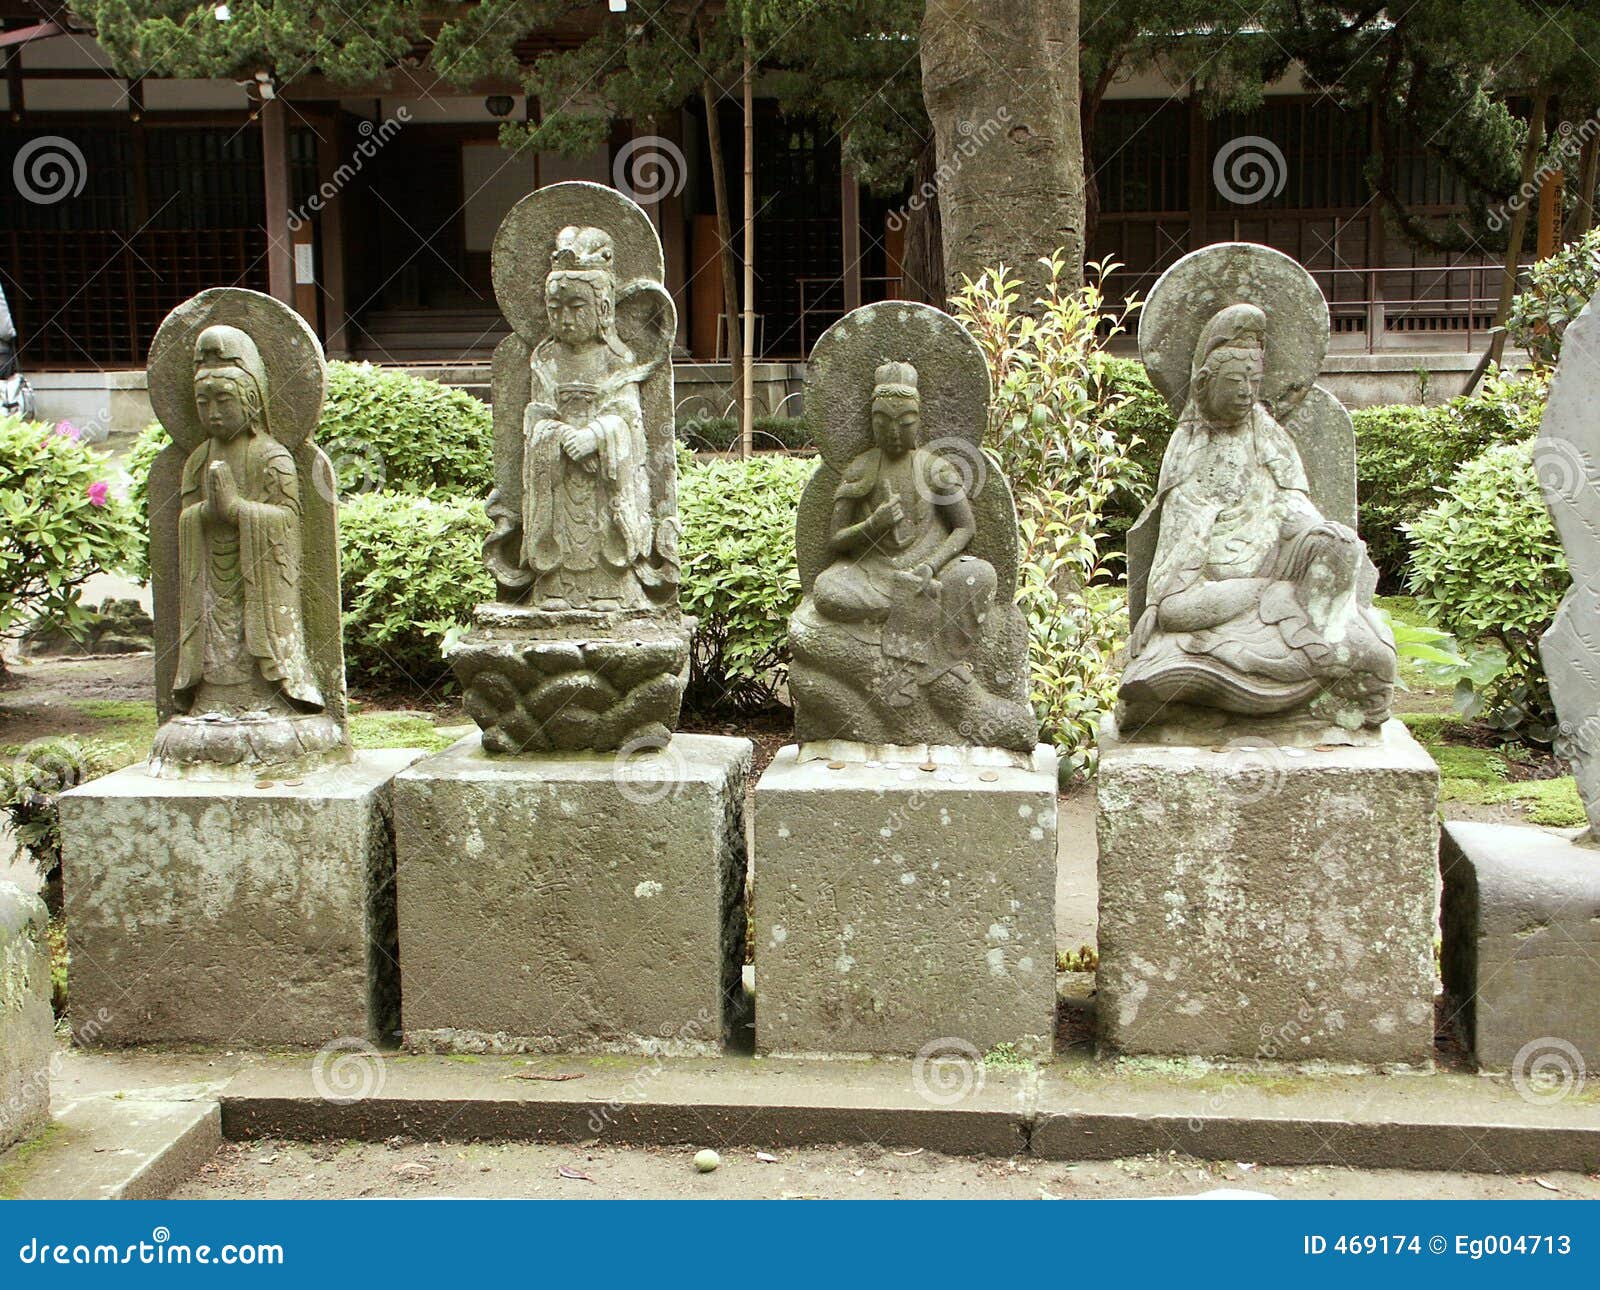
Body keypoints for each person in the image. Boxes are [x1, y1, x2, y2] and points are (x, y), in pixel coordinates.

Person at [1121, 303, 1395, 729]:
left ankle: (1319, 635)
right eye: (1235, 381)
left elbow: (1294, 504)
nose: (1247, 391)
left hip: (1279, 562)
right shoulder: (1189, 446)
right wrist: (1157, 602)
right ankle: (1293, 635)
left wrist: (1317, 535)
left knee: (1336, 544)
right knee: (1176, 613)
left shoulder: (1267, 433)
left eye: (1254, 380)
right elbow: (1181, 539)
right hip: (1216, 583)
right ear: (1204, 382)